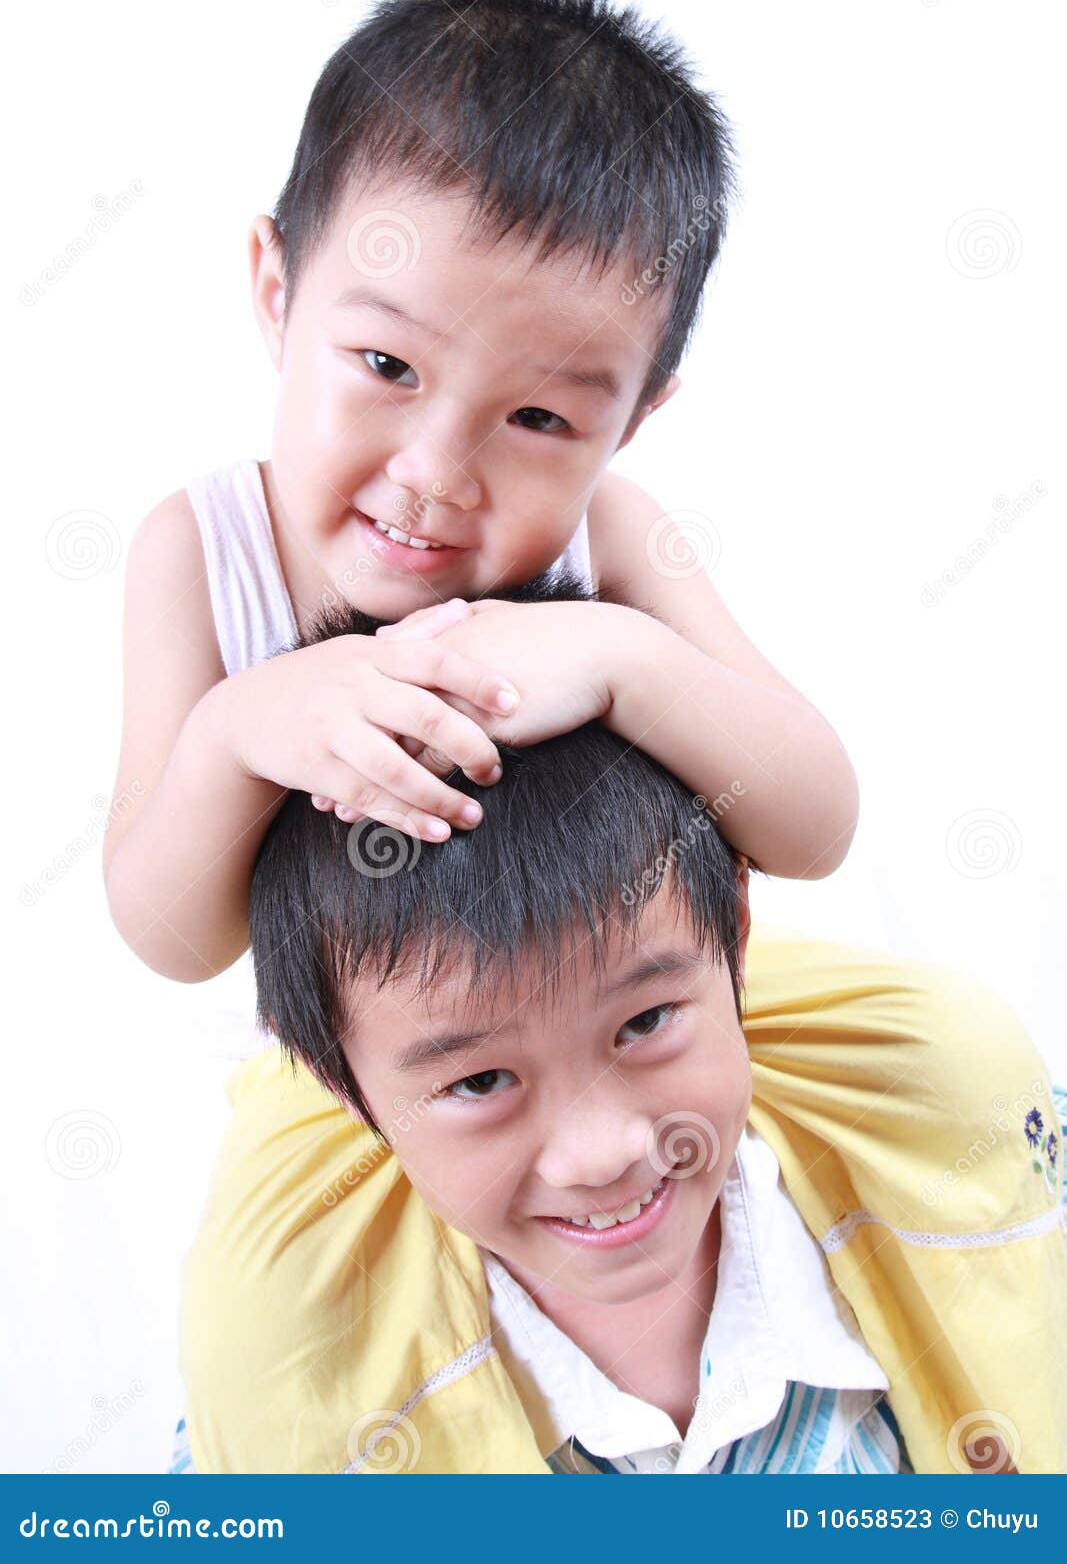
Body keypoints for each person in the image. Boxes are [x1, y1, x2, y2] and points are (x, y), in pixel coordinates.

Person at [96, 0, 1063, 1470]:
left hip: (639, 986)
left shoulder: (610, 533)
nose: (436, 468)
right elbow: (167, 927)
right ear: (275, 292)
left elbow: (810, 817)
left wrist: (623, 656)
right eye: (383, 364)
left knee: (953, 1062)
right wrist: (243, 726)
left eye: (539, 415)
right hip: (378, 1079)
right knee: (264, 1320)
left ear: (634, 413)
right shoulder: (199, 548)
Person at [175, 582, 1066, 1474]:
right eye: (479, 1082)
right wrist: (222, 729)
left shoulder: (960, 1156)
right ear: (336, 1079)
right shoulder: (291, 1394)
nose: (599, 1154)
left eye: (644, 1023)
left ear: (736, 943)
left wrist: (628, 660)